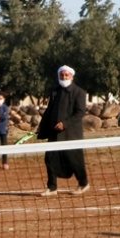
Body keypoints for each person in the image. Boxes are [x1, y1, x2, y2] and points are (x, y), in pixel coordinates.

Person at [36, 65, 90, 196]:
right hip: (54, 133)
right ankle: (52, 187)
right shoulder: (55, 91)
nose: (64, 77)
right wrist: (42, 128)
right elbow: (49, 111)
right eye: (62, 75)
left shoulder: (79, 92)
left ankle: (83, 183)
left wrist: (65, 124)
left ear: (71, 76)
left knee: (74, 159)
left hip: (71, 133)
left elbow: (80, 112)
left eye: (66, 75)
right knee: (50, 159)